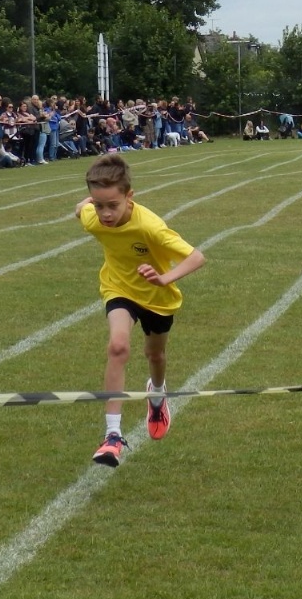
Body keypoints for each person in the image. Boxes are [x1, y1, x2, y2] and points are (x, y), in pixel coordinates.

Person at [75, 153, 206, 466]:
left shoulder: (149, 226)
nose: (104, 214)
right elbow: (80, 209)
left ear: (129, 197)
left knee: (155, 355)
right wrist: (86, 204)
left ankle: (157, 395)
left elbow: (196, 257)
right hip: (119, 289)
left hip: (158, 296)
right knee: (118, 347)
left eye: (112, 205)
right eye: (99, 204)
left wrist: (164, 278)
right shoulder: (92, 215)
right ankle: (112, 436)